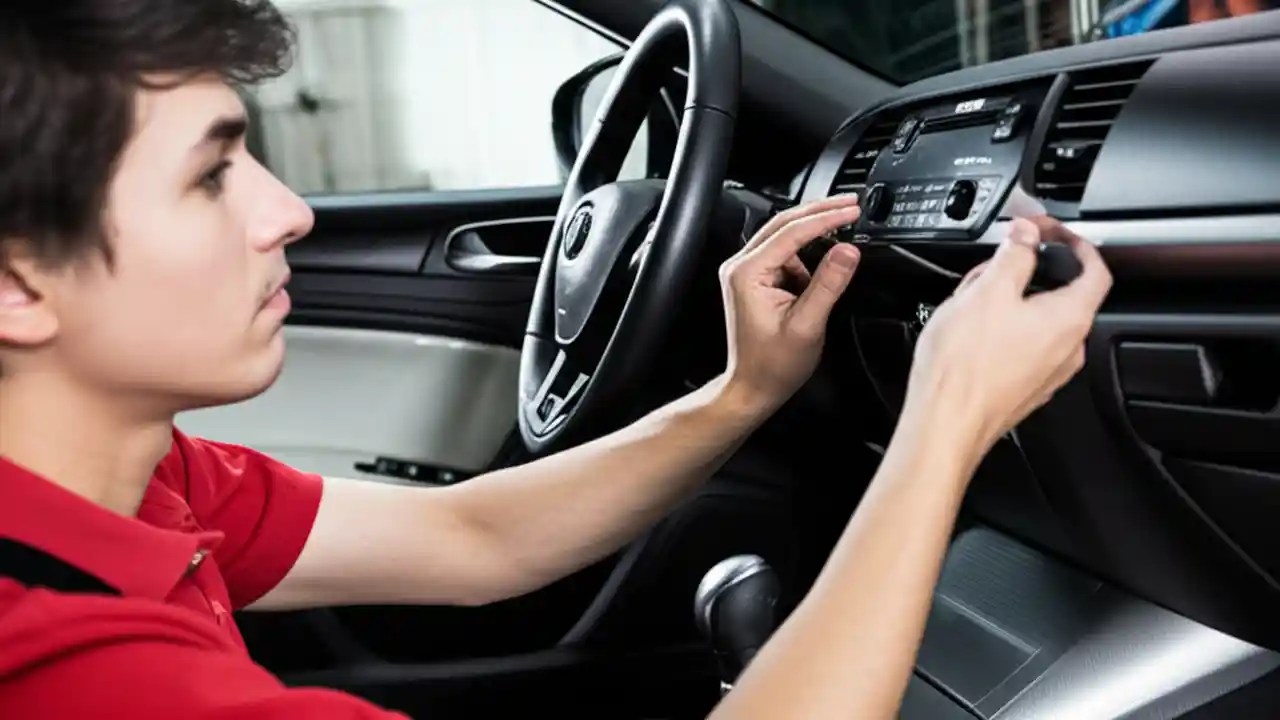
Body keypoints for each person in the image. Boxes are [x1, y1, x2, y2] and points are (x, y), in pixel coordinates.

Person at [0, 1, 1111, 718]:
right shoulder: (79, 673)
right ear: (16, 285)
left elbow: (472, 537)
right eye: (209, 177)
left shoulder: (132, 479)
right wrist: (944, 423)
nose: (287, 212)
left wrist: (740, 394)